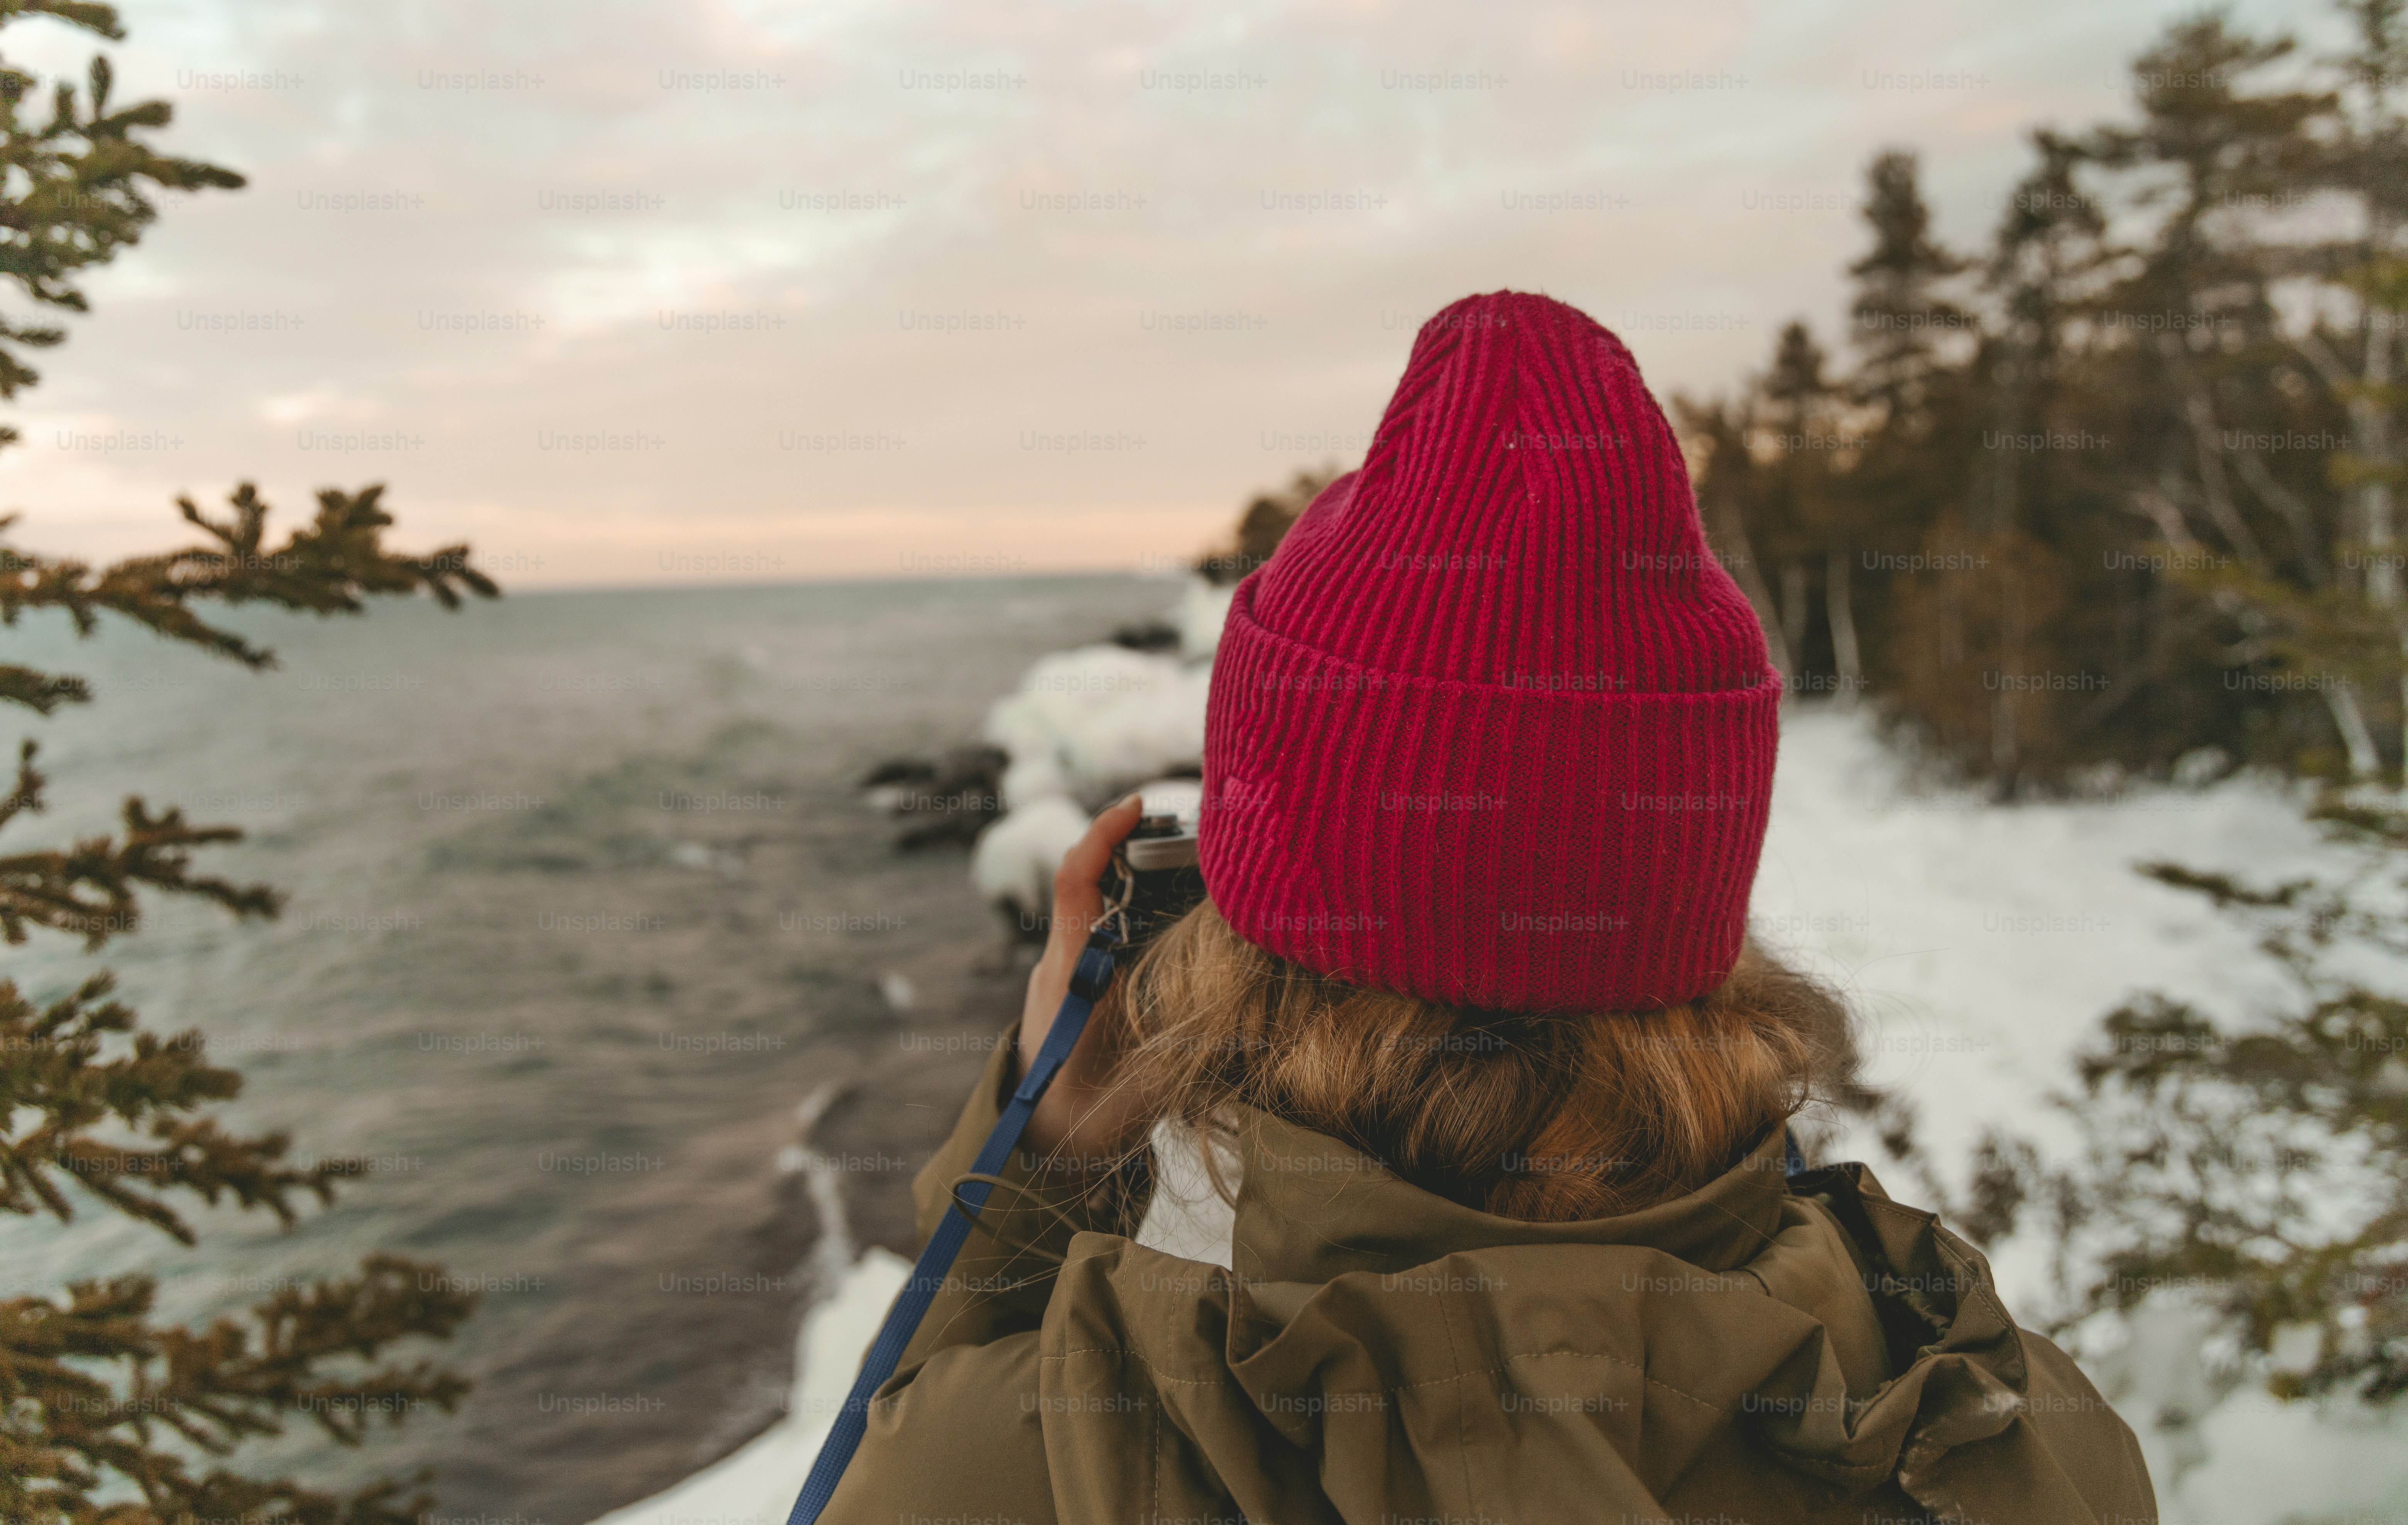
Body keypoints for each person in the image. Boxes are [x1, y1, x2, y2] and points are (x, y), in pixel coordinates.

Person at [820, 290, 2159, 1523]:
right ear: (1696, 919)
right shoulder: (2011, 1435)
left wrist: (1046, 1142)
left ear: (1243, 943)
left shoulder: (1039, 1457)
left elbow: (890, 1464)